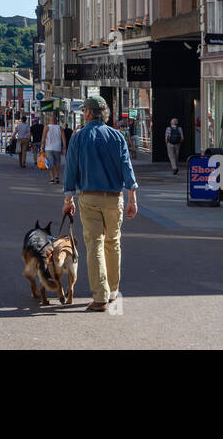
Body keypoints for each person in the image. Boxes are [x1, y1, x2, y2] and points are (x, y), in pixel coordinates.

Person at [62, 95, 138, 312]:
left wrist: (68, 200)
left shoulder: (79, 137)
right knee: (113, 242)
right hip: (114, 198)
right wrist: (133, 198)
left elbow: (71, 171)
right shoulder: (116, 136)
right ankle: (113, 290)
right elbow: (127, 168)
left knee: (94, 243)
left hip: (89, 197)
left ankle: (100, 296)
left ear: (87, 112)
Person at [43, 109, 65, 185]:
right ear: (56, 121)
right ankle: (57, 177)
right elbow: (63, 139)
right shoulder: (60, 128)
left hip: (48, 148)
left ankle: (52, 178)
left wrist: (42, 148)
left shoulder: (46, 127)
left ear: (50, 120)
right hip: (57, 148)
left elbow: (43, 138)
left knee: (50, 163)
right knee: (57, 163)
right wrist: (64, 147)